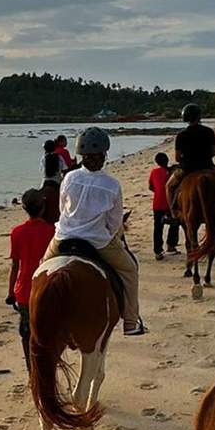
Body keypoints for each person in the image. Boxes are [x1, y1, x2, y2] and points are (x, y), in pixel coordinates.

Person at [44, 126, 146, 336]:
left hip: (63, 236)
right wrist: (107, 233)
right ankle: (130, 321)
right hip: (98, 242)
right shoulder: (111, 185)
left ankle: (28, 307)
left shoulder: (69, 178)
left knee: (42, 267)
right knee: (129, 271)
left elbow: (63, 208)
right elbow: (115, 221)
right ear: (104, 155)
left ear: (81, 155)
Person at [6, 188, 55, 370]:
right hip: (47, 288)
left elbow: (15, 266)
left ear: (24, 208)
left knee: (27, 334)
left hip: (24, 290)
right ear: (42, 207)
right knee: (47, 331)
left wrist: (10, 291)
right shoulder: (52, 231)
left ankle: (31, 369)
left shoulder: (17, 232)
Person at [167, 103, 215, 218]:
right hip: (207, 166)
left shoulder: (181, 135)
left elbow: (177, 158)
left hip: (187, 168)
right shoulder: (209, 132)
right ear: (199, 116)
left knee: (169, 186)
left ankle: (173, 214)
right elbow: (213, 152)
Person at [148, 152, 180, 259]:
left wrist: (158, 192)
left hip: (157, 204)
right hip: (170, 203)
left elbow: (151, 187)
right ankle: (171, 245)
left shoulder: (154, 172)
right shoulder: (172, 172)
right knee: (175, 223)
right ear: (167, 161)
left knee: (158, 227)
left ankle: (158, 251)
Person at [40, 139, 62, 224]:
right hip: (57, 181)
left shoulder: (43, 158)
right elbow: (65, 168)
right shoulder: (59, 157)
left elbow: (41, 170)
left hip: (45, 181)